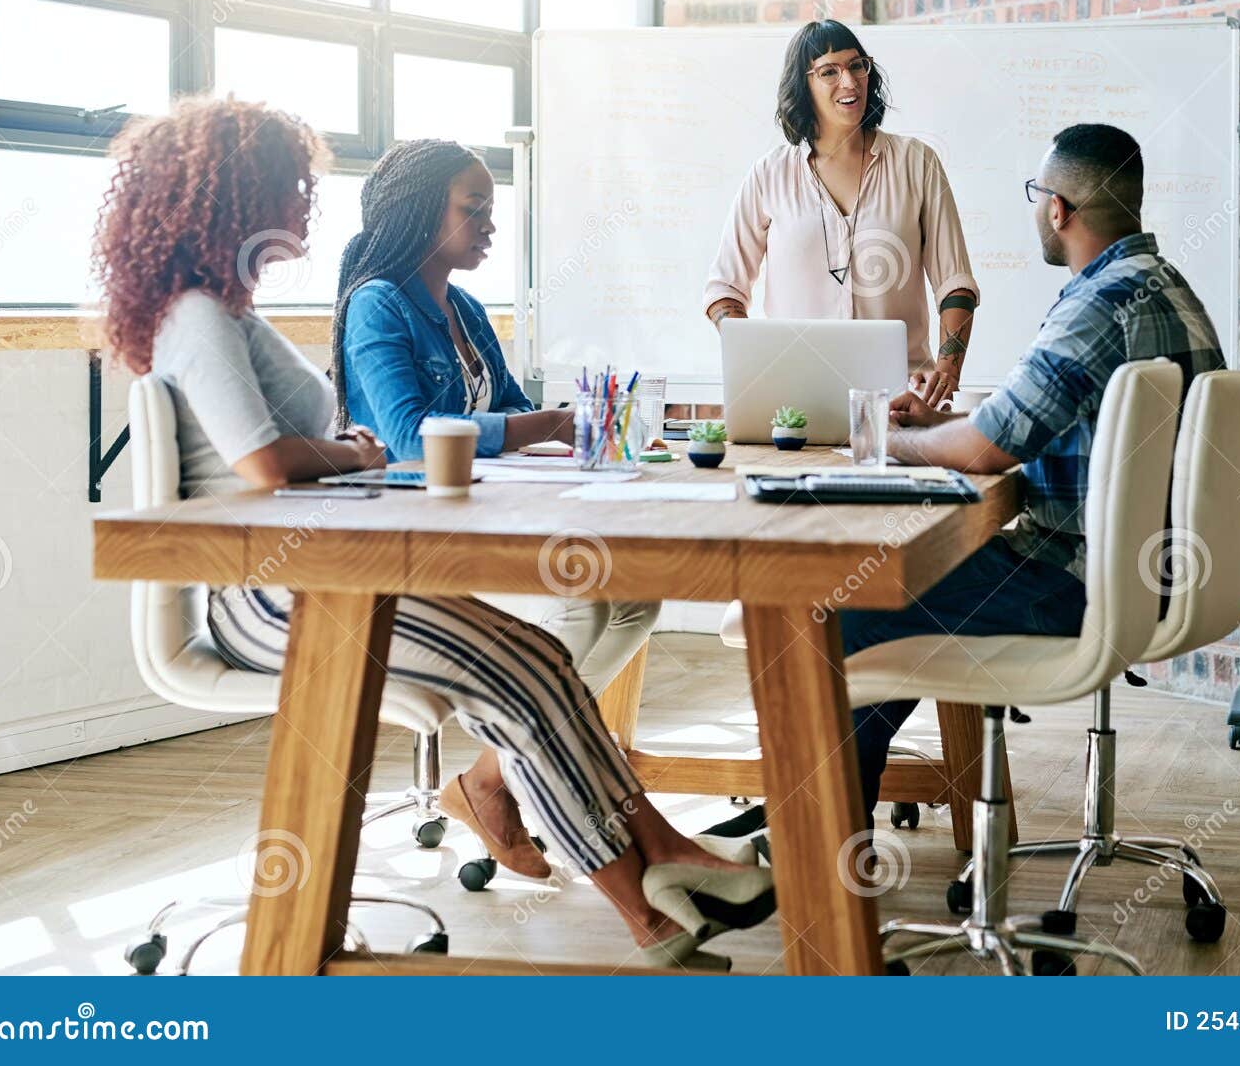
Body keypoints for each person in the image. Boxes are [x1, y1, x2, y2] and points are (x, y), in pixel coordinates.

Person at [93, 97, 771, 969]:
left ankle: (663, 881)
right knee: (526, 673)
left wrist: (345, 449)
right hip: (268, 599)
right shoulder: (197, 314)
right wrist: (352, 451)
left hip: (323, 573)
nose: (302, 206)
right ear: (234, 197)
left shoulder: (226, 313)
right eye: (288, 188)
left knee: (542, 659)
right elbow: (262, 461)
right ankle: (652, 904)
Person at [839, 123, 1227, 817]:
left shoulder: (1098, 304)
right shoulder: (1167, 289)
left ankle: (817, 843)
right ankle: (821, 815)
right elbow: (1027, 414)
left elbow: (992, 448)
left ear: (1058, 208)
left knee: (858, 606)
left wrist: (887, 441)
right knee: (894, 592)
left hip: (1080, 582)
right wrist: (934, 428)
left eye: (1034, 195)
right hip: (1158, 578)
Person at [333, 138, 660, 847]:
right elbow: (411, 439)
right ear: (423, 211)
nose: (489, 223)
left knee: (636, 596)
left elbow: (512, 412)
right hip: (415, 535)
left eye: (490, 208)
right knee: (582, 599)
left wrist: (578, 433)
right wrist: (548, 423)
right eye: (473, 208)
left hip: (487, 518)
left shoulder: (468, 309)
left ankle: (491, 776)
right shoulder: (377, 305)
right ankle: (506, 778)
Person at [704, 19, 980, 407]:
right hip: (797, 401)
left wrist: (948, 372)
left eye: (856, 66)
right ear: (803, 86)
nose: (849, 82)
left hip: (902, 398)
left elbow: (955, 284)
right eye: (829, 71)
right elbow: (724, 292)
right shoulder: (770, 174)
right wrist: (759, 361)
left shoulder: (917, 162)